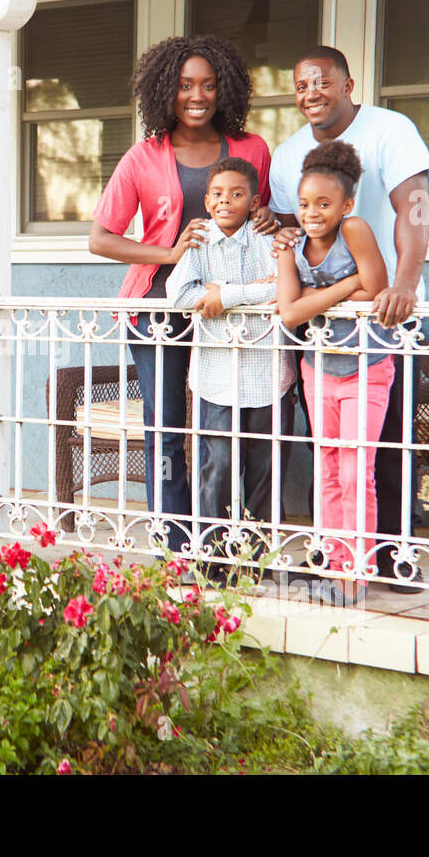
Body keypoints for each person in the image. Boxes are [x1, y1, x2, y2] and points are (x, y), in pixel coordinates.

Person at [89, 36, 274, 550]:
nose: (197, 95)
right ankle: (175, 538)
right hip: (159, 308)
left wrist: (266, 215)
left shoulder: (252, 148)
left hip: (235, 311)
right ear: (164, 90)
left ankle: (238, 536)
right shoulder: (143, 156)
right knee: (167, 425)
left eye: (209, 85)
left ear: (225, 90)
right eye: (185, 85)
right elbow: (100, 238)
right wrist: (168, 255)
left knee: (239, 425)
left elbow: (275, 223)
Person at [267, 45, 429, 590]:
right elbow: (294, 229)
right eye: (301, 85)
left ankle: (390, 562)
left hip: (386, 318)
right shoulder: (289, 153)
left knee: (384, 449)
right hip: (322, 330)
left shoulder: (391, 129)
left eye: (322, 82)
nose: (311, 93)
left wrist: (402, 288)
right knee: (332, 452)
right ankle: (335, 556)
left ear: (347, 84)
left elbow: (414, 209)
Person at [275, 142, 394, 606]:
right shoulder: (290, 246)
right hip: (318, 367)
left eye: (324, 204)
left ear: (345, 205)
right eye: (304, 204)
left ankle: (355, 574)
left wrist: (320, 292)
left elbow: (378, 288)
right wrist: (348, 288)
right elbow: (289, 313)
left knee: (354, 469)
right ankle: (331, 563)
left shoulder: (356, 229)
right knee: (326, 467)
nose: (312, 213)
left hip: (366, 365)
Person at [166, 158, 294, 580]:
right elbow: (179, 295)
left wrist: (223, 295)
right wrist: (244, 293)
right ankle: (214, 561)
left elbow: (285, 288)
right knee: (216, 469)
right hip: (216, 378)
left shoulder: (267, 239)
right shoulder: (199, 243)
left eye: (236, 194)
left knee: (264, 470)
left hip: (268, 376)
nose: (226, 201)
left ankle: (257, 562)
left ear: (254, 201)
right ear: (206, 201)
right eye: (218, 194)